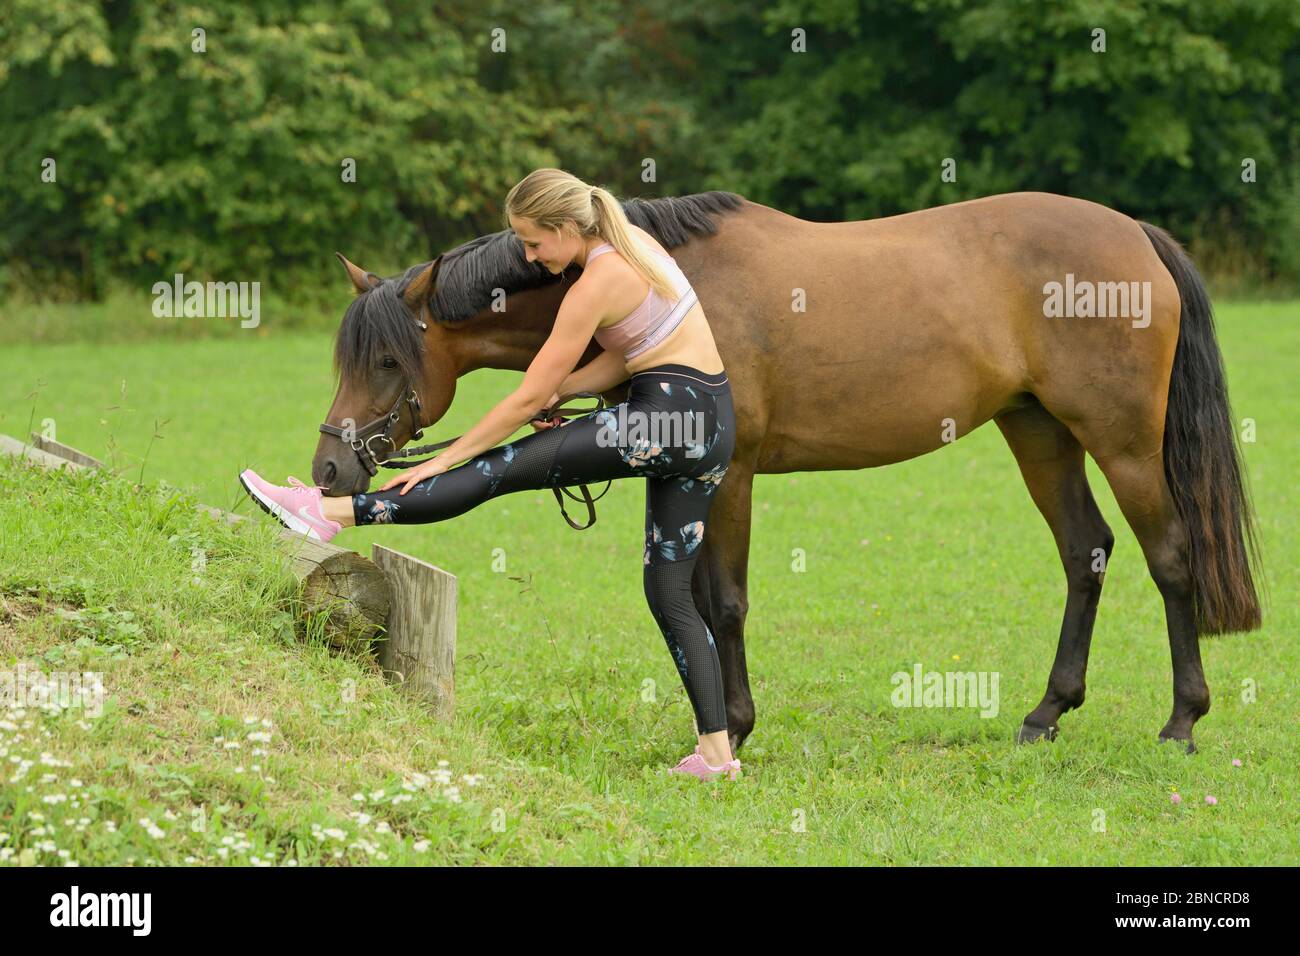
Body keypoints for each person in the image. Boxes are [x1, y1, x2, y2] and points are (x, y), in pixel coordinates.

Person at [239, 168, 740, 782]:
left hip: (660, 418)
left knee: (495, 470)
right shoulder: (636, 247)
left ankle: (329, 513)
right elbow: (634, 348)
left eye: (533, 243)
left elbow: (527, 398)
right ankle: (717, 757)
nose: (529, 257)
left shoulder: (594, 282)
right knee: (669, 589)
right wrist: (571, 389)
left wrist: (447, 455)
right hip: (708, 422)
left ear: (563, 229)